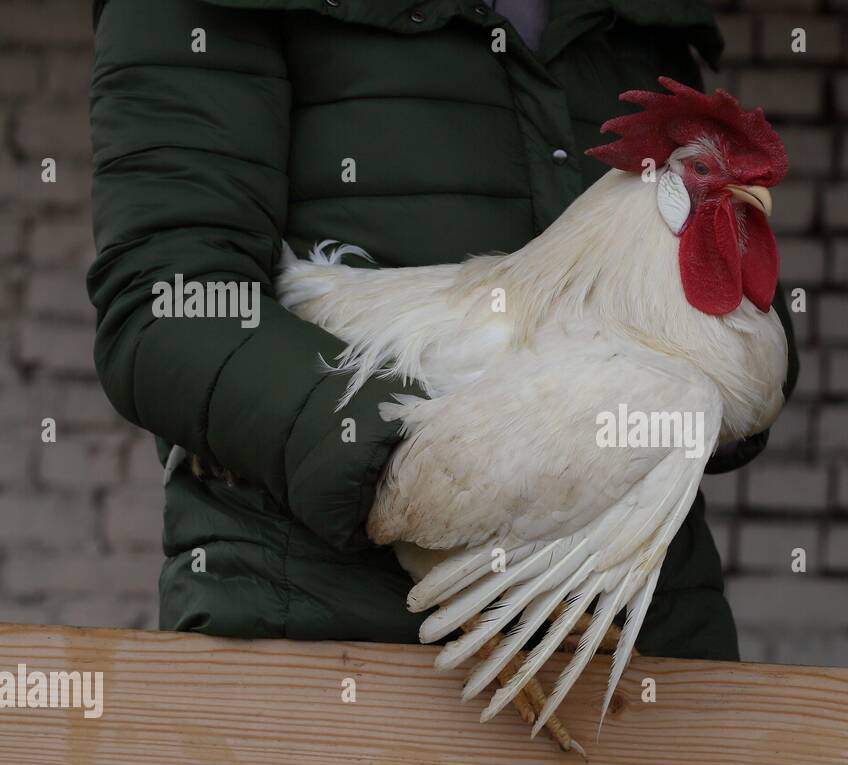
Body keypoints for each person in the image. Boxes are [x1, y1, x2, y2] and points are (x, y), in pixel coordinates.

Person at [88, 0, 796, 696]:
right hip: (326, 637)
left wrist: (709, 368)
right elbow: (167, 305)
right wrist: (407, 464)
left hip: (639, 644)